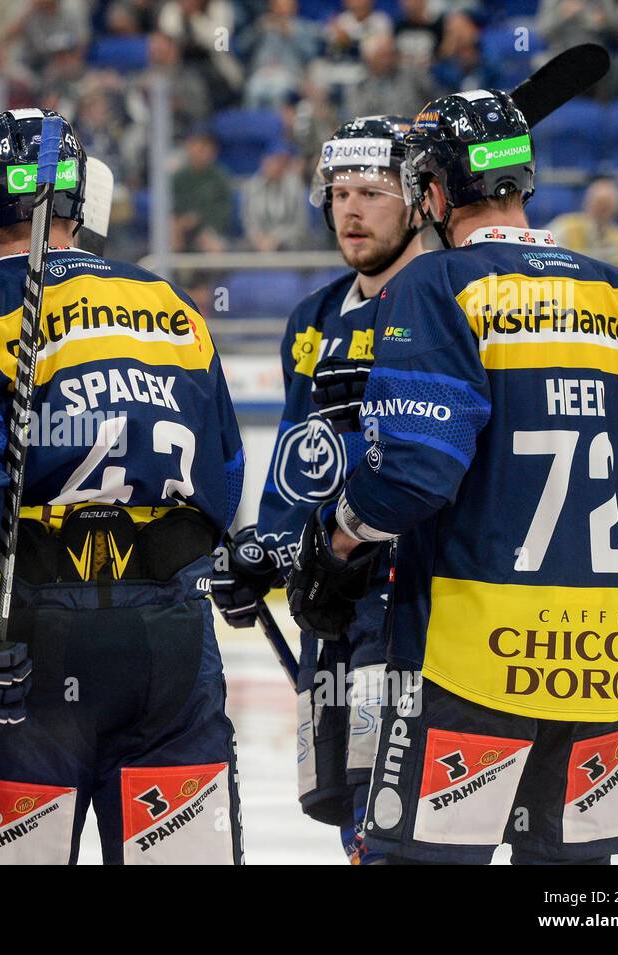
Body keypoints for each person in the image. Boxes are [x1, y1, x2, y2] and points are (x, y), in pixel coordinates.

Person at [288, 88, 618, 865]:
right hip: (601, 659)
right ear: (520, 180)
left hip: (470, 660)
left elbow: (415, 473)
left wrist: (334, 544)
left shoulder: (438, 286)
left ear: (430, 190)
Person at [0, 107, 245, 864]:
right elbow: (224, 473)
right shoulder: (174, 305)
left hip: (32, 641)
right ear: (82, 202)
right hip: (172, 643)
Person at [212, 115, 424, 865]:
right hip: (332, 606)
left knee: (417, 821)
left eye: (372, 190)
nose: (351, 209)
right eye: (339, 192)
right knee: (356, 815)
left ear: (420, 198)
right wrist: (264, 554)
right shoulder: (314, 319)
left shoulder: (445, 302)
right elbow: (306, 455)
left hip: (417, 602)